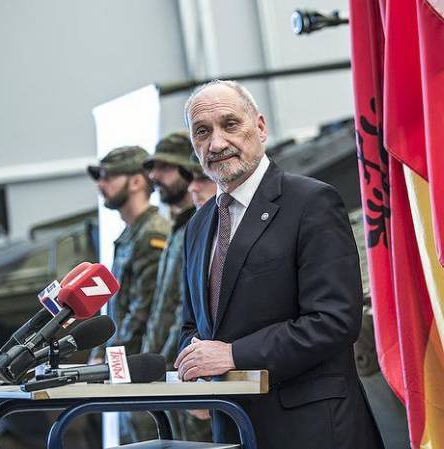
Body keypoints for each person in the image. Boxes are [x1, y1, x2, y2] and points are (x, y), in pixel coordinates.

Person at [174, 80, 383, 449]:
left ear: (260, 127)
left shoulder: (312, 202)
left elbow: (334, 320)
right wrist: (192, 365)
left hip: (312, 431)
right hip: (233, 428)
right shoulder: (198, 225)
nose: (217, 143)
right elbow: (193, 323)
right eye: (202, 132)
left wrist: (232, 355)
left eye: (230, 124)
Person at [87, 146, 170, 443]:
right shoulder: (131, 234)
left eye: (108, 176)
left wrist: (110, 358)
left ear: (136, 182)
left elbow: (144, 310)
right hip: (127, 368)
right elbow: (120, 308)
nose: (101, 184)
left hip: (142, 367)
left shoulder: (152, 233)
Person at [141, 133, 212, 442]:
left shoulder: (205, 228)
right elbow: (165, 305)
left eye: (166, 168)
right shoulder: (182, 227)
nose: (155, 177)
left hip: (190, 366)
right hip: (171, 366)